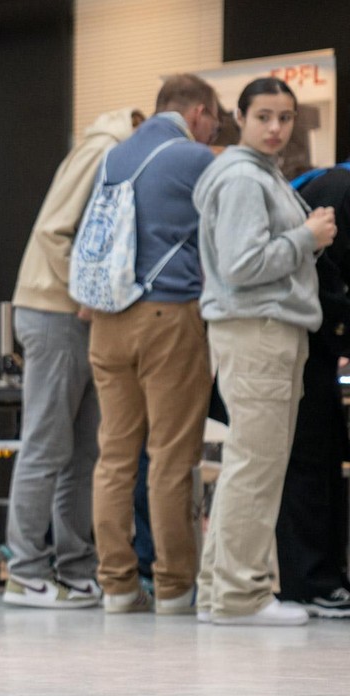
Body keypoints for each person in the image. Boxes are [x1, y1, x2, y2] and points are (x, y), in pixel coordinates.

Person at [195, 77, 337, 626]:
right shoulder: (241, 179)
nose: (276, 128)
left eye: (285, 117)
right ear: (240, 116)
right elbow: (241, 265)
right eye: (264, 117)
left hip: (262, 331)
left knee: (249, 466)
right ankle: (240, 595)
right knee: (256, 467)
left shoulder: (257, 175)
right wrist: (308, 237)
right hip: (258, 331)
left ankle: (219, 591)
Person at [86, 74, 222, 616]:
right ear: (197, 112)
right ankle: (173, 587)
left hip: (107, 319)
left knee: (115, 457)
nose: (214, 129)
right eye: (214, 119)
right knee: (171, 457)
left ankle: (117, 585)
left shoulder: (114, 157)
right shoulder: (194, 159)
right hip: (168, 316)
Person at [3, 107, 142, 609]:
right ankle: (23, 571)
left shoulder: (113, 148)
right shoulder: (107, 147)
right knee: (46, 444)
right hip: (55, 311)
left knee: (83, 451)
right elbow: (52, 232)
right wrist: (83, 290)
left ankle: (77, 567)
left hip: (77, 316)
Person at [277, 162, 350, 617]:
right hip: (300, 335)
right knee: (308, 458)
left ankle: (321, 578)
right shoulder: (338, 188)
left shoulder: (329, 181)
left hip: (313, 335)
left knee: (323, 458)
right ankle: (310, 581)